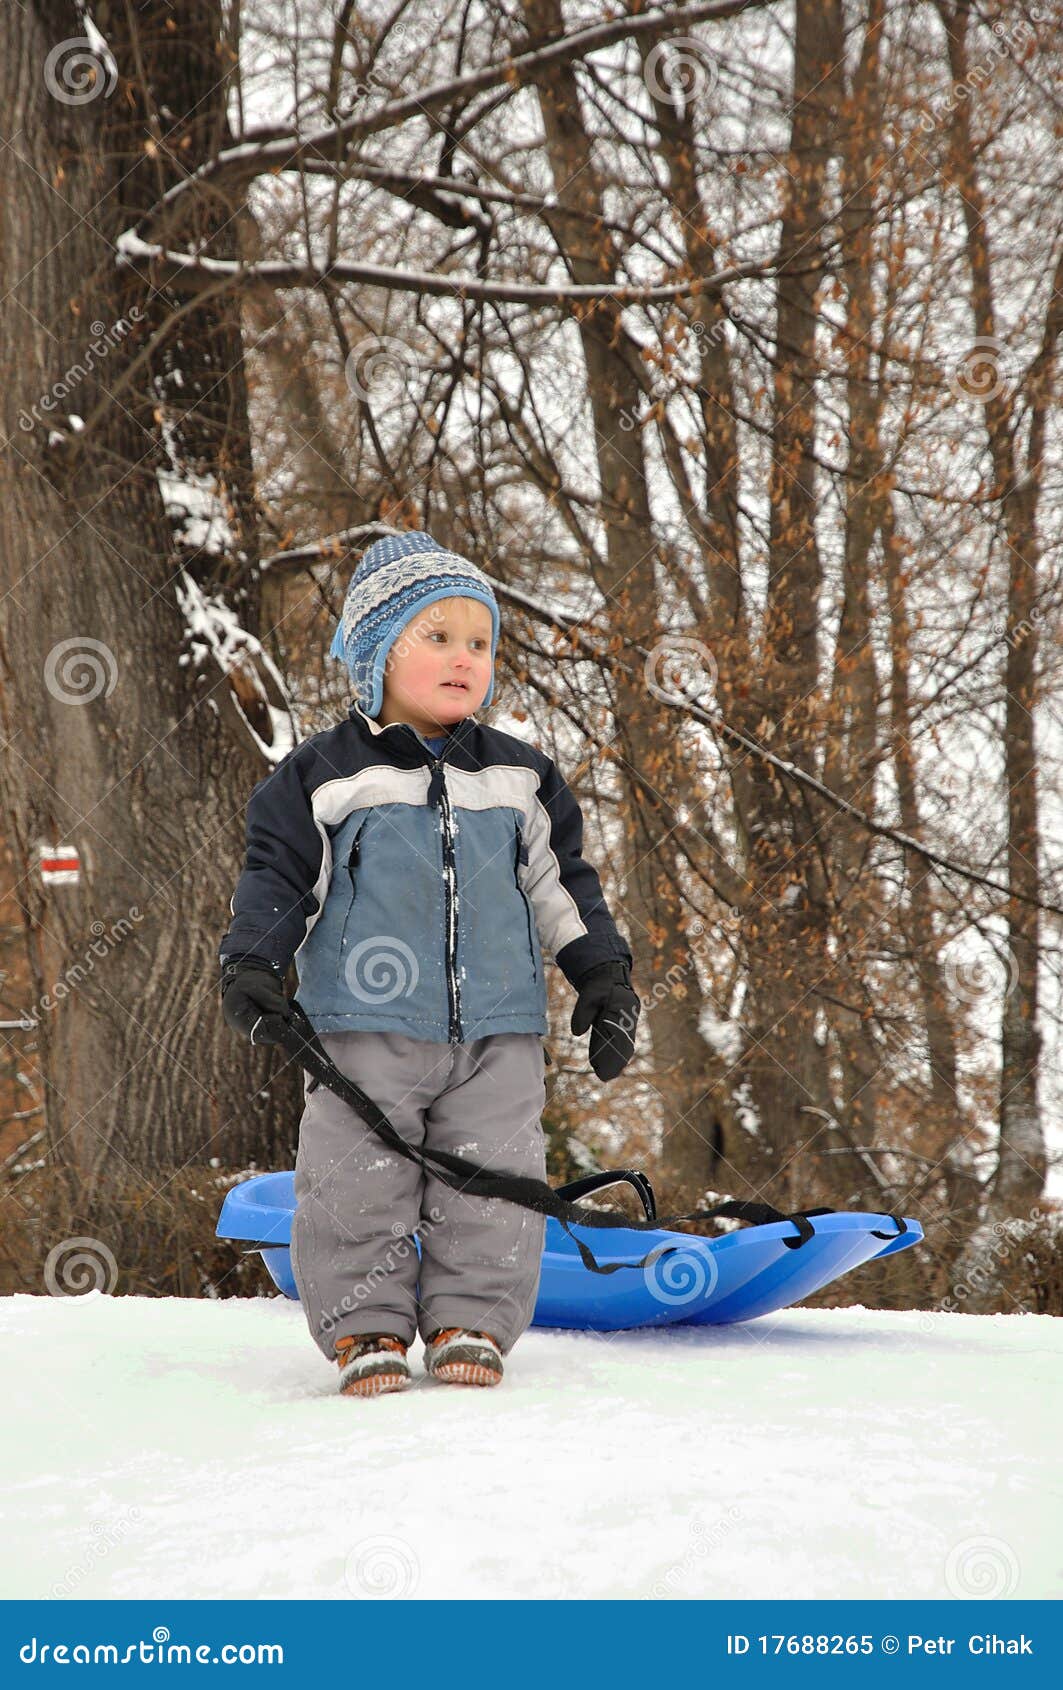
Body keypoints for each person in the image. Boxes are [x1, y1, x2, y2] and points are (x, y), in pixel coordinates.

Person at [219, 531, 639, 1398]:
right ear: (377, 652)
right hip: (362, 1029)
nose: (464, 659)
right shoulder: (326, 776)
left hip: (499, 1031)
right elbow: (280, 879)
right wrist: (253, 965)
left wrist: (601, 974)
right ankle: (365, 1330)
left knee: (495, 1179)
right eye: (437, 637)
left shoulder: (519, 779)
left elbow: (563, 884)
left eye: (479, 643)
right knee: (355, 1181)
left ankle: (471, 1320)